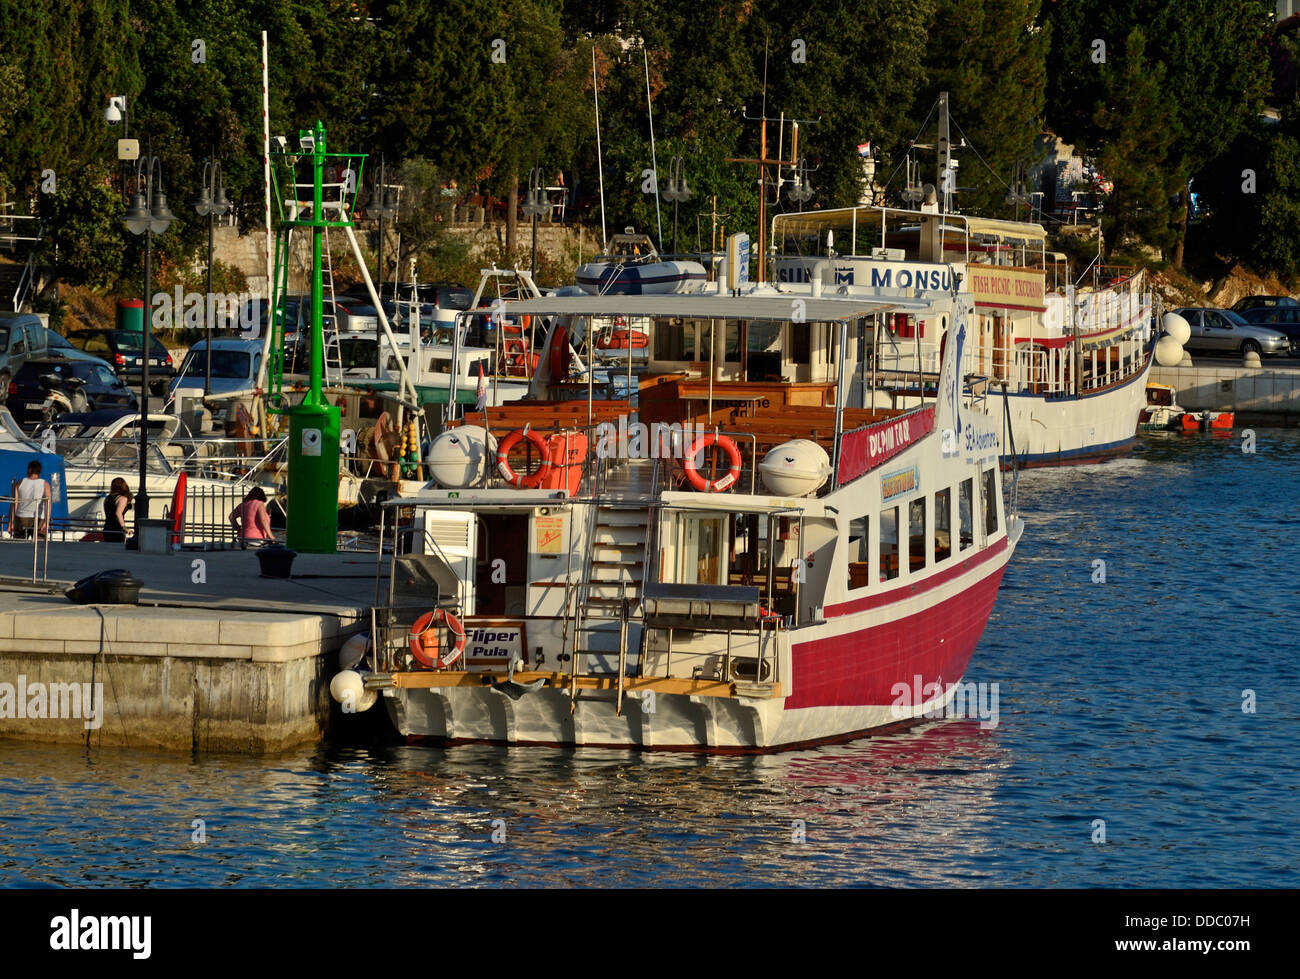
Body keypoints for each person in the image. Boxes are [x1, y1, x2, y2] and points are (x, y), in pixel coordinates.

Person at [13, 460, 51, 539]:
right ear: (39, 471)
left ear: (29, 469)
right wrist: (46, 522)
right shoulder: (45, 484)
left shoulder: (20, 482)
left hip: (21, 517)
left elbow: (14, 503)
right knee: (39, 546)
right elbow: (48, 504)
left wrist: (11, 521)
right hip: (39, 518)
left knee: (19, 545)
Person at [102, 477, 132, 543]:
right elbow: (118, 513)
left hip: (107, 527)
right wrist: (124, 528)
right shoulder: (122, 498)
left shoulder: (107, 498)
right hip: (117, 529)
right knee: (117, 548)